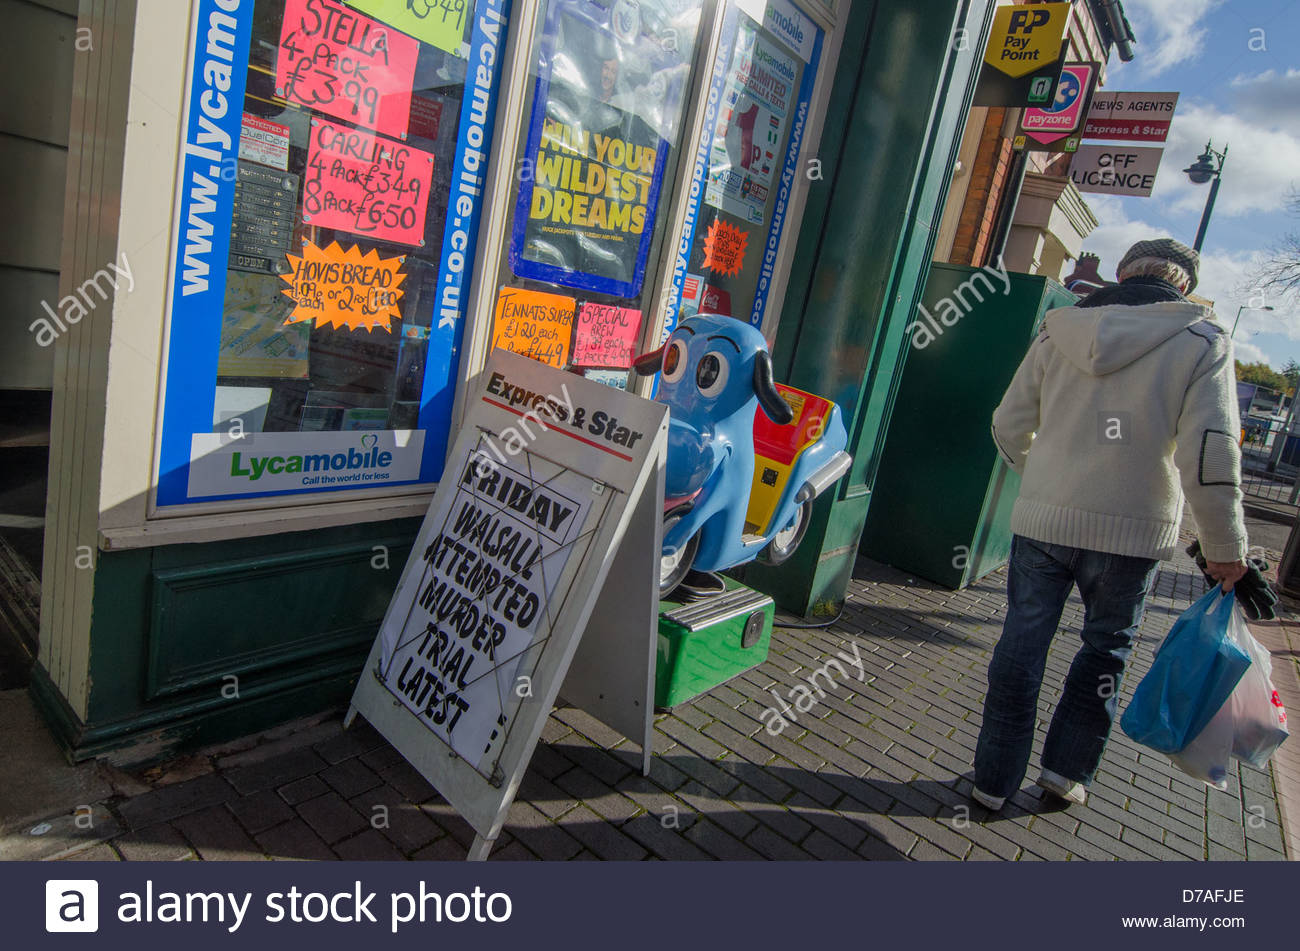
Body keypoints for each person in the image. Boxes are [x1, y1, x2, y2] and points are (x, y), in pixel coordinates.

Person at [972, 238, 1249, 810]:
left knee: (1021, 646)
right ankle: (1065, 774)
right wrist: (1224, 547)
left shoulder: (1058, 331)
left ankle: (991, 782)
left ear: (1120, 274)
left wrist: (1041, 474)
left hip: (1044, 522)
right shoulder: (1202, 341)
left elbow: (1007, 422)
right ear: (1186, 287)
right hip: (1132, 533)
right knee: (1104, 652)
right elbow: (1209, 453)